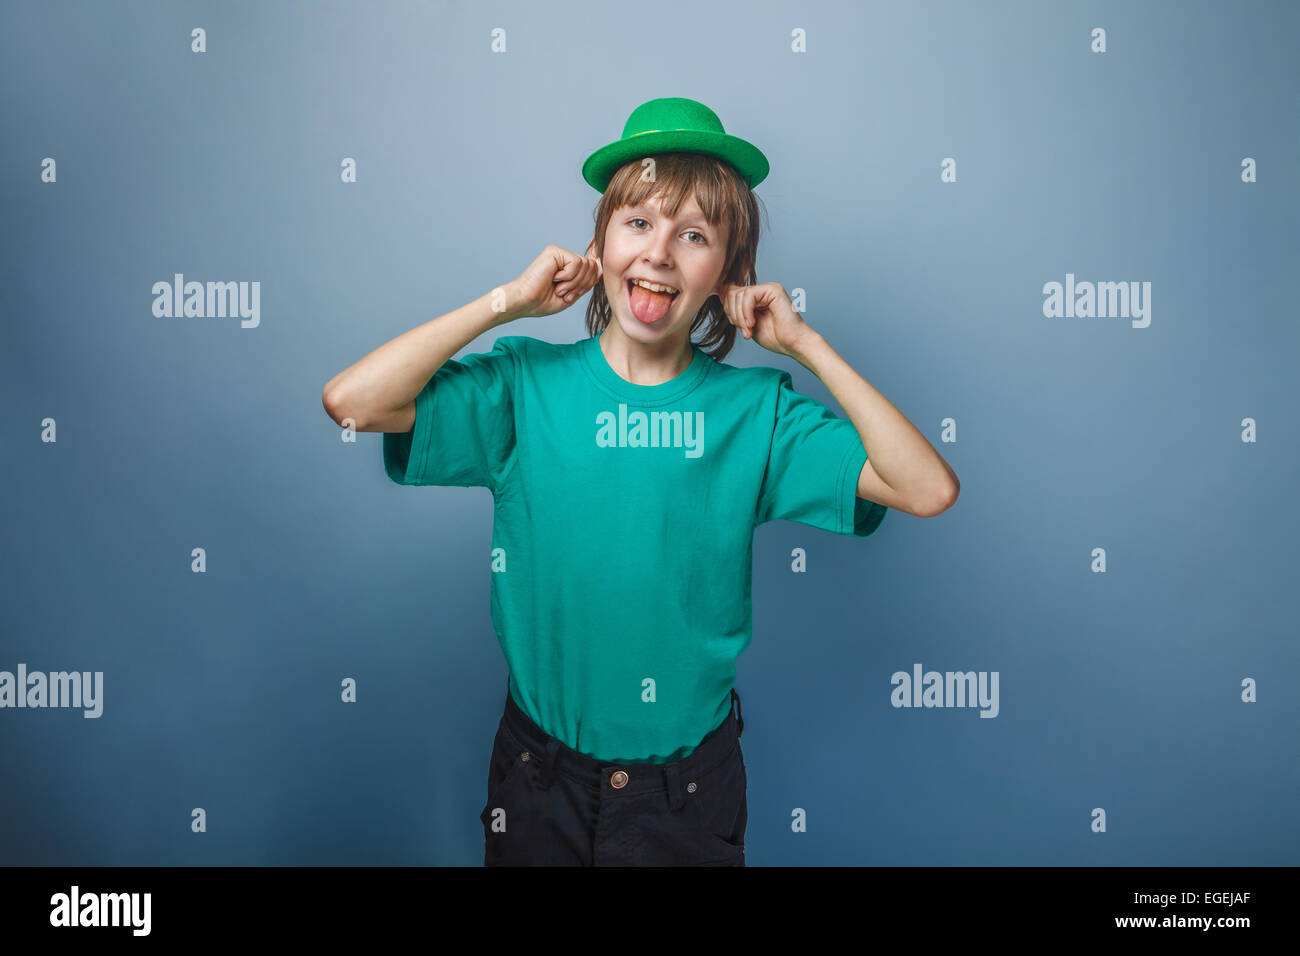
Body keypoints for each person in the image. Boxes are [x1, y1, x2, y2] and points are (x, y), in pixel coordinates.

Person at [321, 97, 960, 866]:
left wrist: (808, 346)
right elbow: (351, 402)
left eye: (694, 235)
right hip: (536, 777)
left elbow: (926, 488)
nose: (659, 253)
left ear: (730, 272)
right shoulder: (524, 388)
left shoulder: (755, 414)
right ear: (600, 243)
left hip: (685, 797)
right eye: (638, 224)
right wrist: (506, 305)